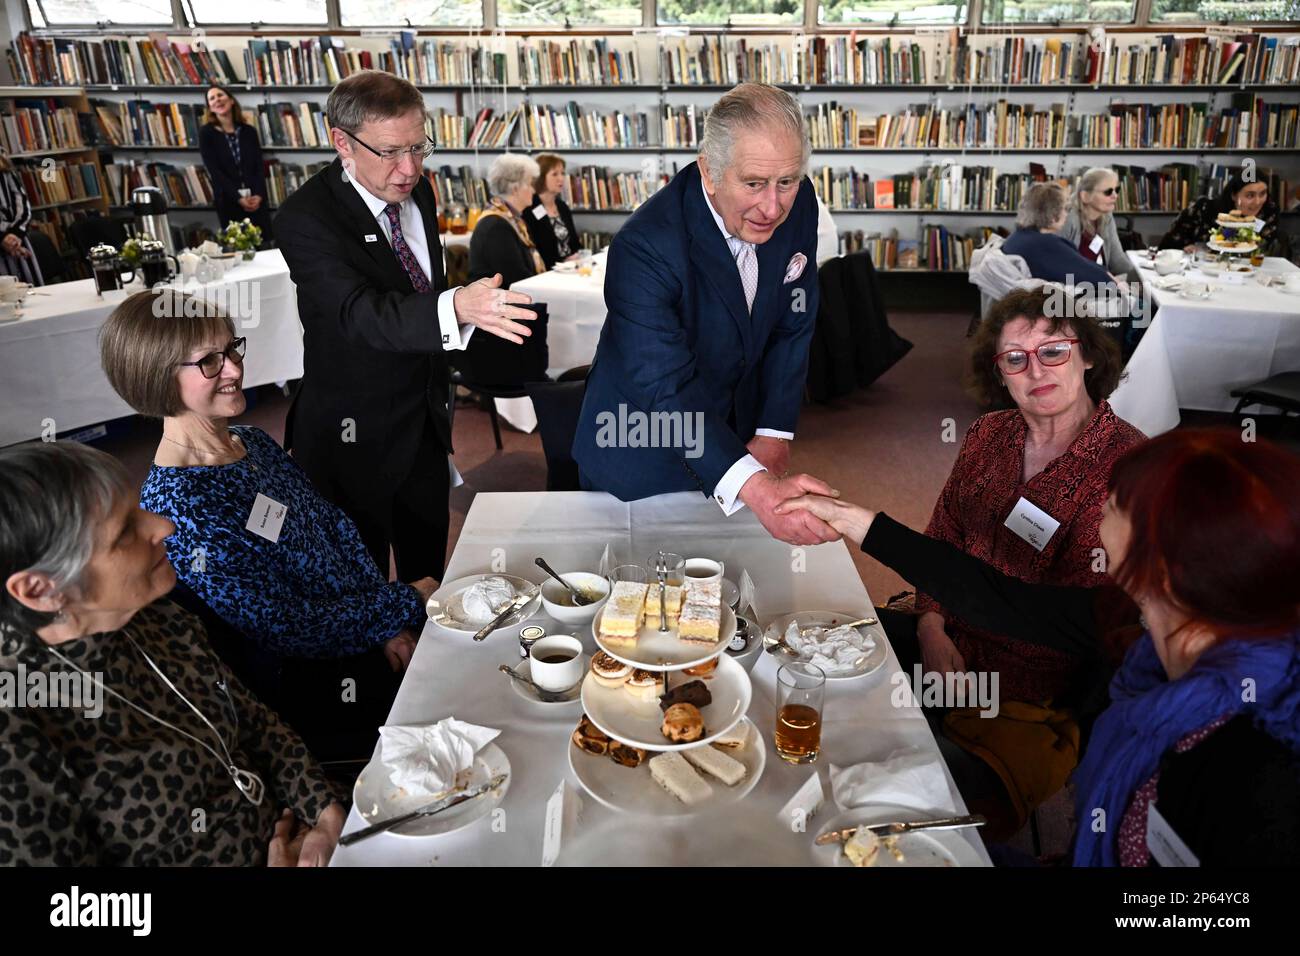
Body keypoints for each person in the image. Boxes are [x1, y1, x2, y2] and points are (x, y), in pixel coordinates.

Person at [776, 428, 1300, 867]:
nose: (1101, 513)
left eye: (1115, 505)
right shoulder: (1140, 622)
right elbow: (993, 596)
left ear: (1162, 563)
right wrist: (852, 520)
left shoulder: (1252, 769)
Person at [99, 289, 434, 759]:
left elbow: (331, 531)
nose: (234, 368)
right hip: (309, 685)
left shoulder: (251, 442)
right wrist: (404, 603)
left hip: (359, 630)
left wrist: (384, 622)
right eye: (209, 361)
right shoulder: (182, 503)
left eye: (232, 348)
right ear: (157, 378)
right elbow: (287, 626)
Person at [0, 441, 346, 866]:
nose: (163, 525)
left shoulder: (156, 615)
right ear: (40, 590)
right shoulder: (18, 722)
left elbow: (255, 723)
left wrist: (325, 812)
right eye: (126, 530)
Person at [879, 288, 1145, 833]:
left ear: (1089, 355)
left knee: (908, 799)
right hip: (947, 634)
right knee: (824, 668)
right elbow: (943, 535)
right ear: (999, 373)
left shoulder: (1128, 468)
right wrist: (931, 626)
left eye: (1054, 351)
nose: (1035, 370)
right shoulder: (987, 434)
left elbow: (1070, 626)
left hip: (1033, 692)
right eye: (1015, 359)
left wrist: (966, 677)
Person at [274, 69, 536, 580]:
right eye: (391, 151)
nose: (409, 168)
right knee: (361, 587)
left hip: (424, 423)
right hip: (352, 433)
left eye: (420, 147)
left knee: (428, 576)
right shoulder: (305, 218)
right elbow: (358, 313)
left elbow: (416, 285)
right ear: (341, 143)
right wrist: (457, 308)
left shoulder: (419, 190)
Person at [573, 83, 839, 547]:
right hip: (643, 451)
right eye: (753, 183)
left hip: (740, 441)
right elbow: (664, 387)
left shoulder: (800, 207)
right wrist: (755, 487)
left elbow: (793, 322)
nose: (773, 207)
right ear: (709, 172)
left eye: (787, 181)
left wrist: (773, 431)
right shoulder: (645, 245)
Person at [460, 154, 551, 387]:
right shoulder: (496, 225)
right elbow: (517, 281)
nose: (533, 190)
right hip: (496, 332)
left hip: (504, 317)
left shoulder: (510, 220)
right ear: (515, 187)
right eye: (530, 183)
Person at [1002, 182, 1118, 290]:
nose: (1067, 214)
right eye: (1065, 209)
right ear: (1052, 214)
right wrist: (1115, 282)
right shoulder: (1046, 244)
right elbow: (1090, 274)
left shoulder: (1017, 236)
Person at [1158, 170, 1292, 258]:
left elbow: (1261, 248)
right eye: (1250, 195)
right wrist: (1187, 248)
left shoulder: (1269, 211)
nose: (1257, 202)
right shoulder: (1204, 208)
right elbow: (1167, 246)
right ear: (1234, 195)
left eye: (1262, 194)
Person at [197, 85, 273, 241]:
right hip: (229, 201)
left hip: (256, 200)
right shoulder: (206, 133)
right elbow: (214, 171)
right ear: (210, 107)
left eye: (220, 95)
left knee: (262, 245)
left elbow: (258, 166)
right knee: (237, 247)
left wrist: (258, 195)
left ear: (231, 100)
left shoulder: (249, 131)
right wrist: (238, 198)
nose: (217, 100)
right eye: (212, 98)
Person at [1059, 167, 1139, 284]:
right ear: (1085, 196)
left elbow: (1117, 260)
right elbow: (1061, 266)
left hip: (1100, 284)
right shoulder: (1067, 218)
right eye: (1108, 192)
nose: (1115, 196)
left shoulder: (1106, 216)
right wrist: (1106, 280)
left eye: (1116, 190)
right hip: (1073, 288)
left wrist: (1144, 280)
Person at [525, 152, 580, 269]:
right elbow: (534, 250)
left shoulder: (562, 207)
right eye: (554, 174)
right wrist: (562, 262)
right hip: (547, 272)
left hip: (571, 269)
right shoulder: (530, 208)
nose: (561, 178)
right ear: (540, 177)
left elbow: (575, 244)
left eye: (562, 173)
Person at [0, 149, 44, 285]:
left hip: (17, 239)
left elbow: (21, 200)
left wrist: (15, 233)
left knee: (31, 291)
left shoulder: (2, 159)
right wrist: (2, 237)